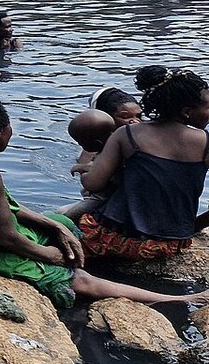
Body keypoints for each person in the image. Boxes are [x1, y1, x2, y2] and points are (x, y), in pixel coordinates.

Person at [0, 92, 195, 307]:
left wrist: (56, 228)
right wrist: (51, 257)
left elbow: (9, 207)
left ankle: (59, 240)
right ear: (0, 131)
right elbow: (6, 237)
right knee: (77, 278)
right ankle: (175, 299)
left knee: (59, 221)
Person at [78, 70, 209, 260]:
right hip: (168, 245)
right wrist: (192, 226)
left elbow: (92, 184)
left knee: (62, 221)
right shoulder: (205, 143)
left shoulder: (127, 134)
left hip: (113, 238)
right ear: (186, 112)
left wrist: (86, 171)